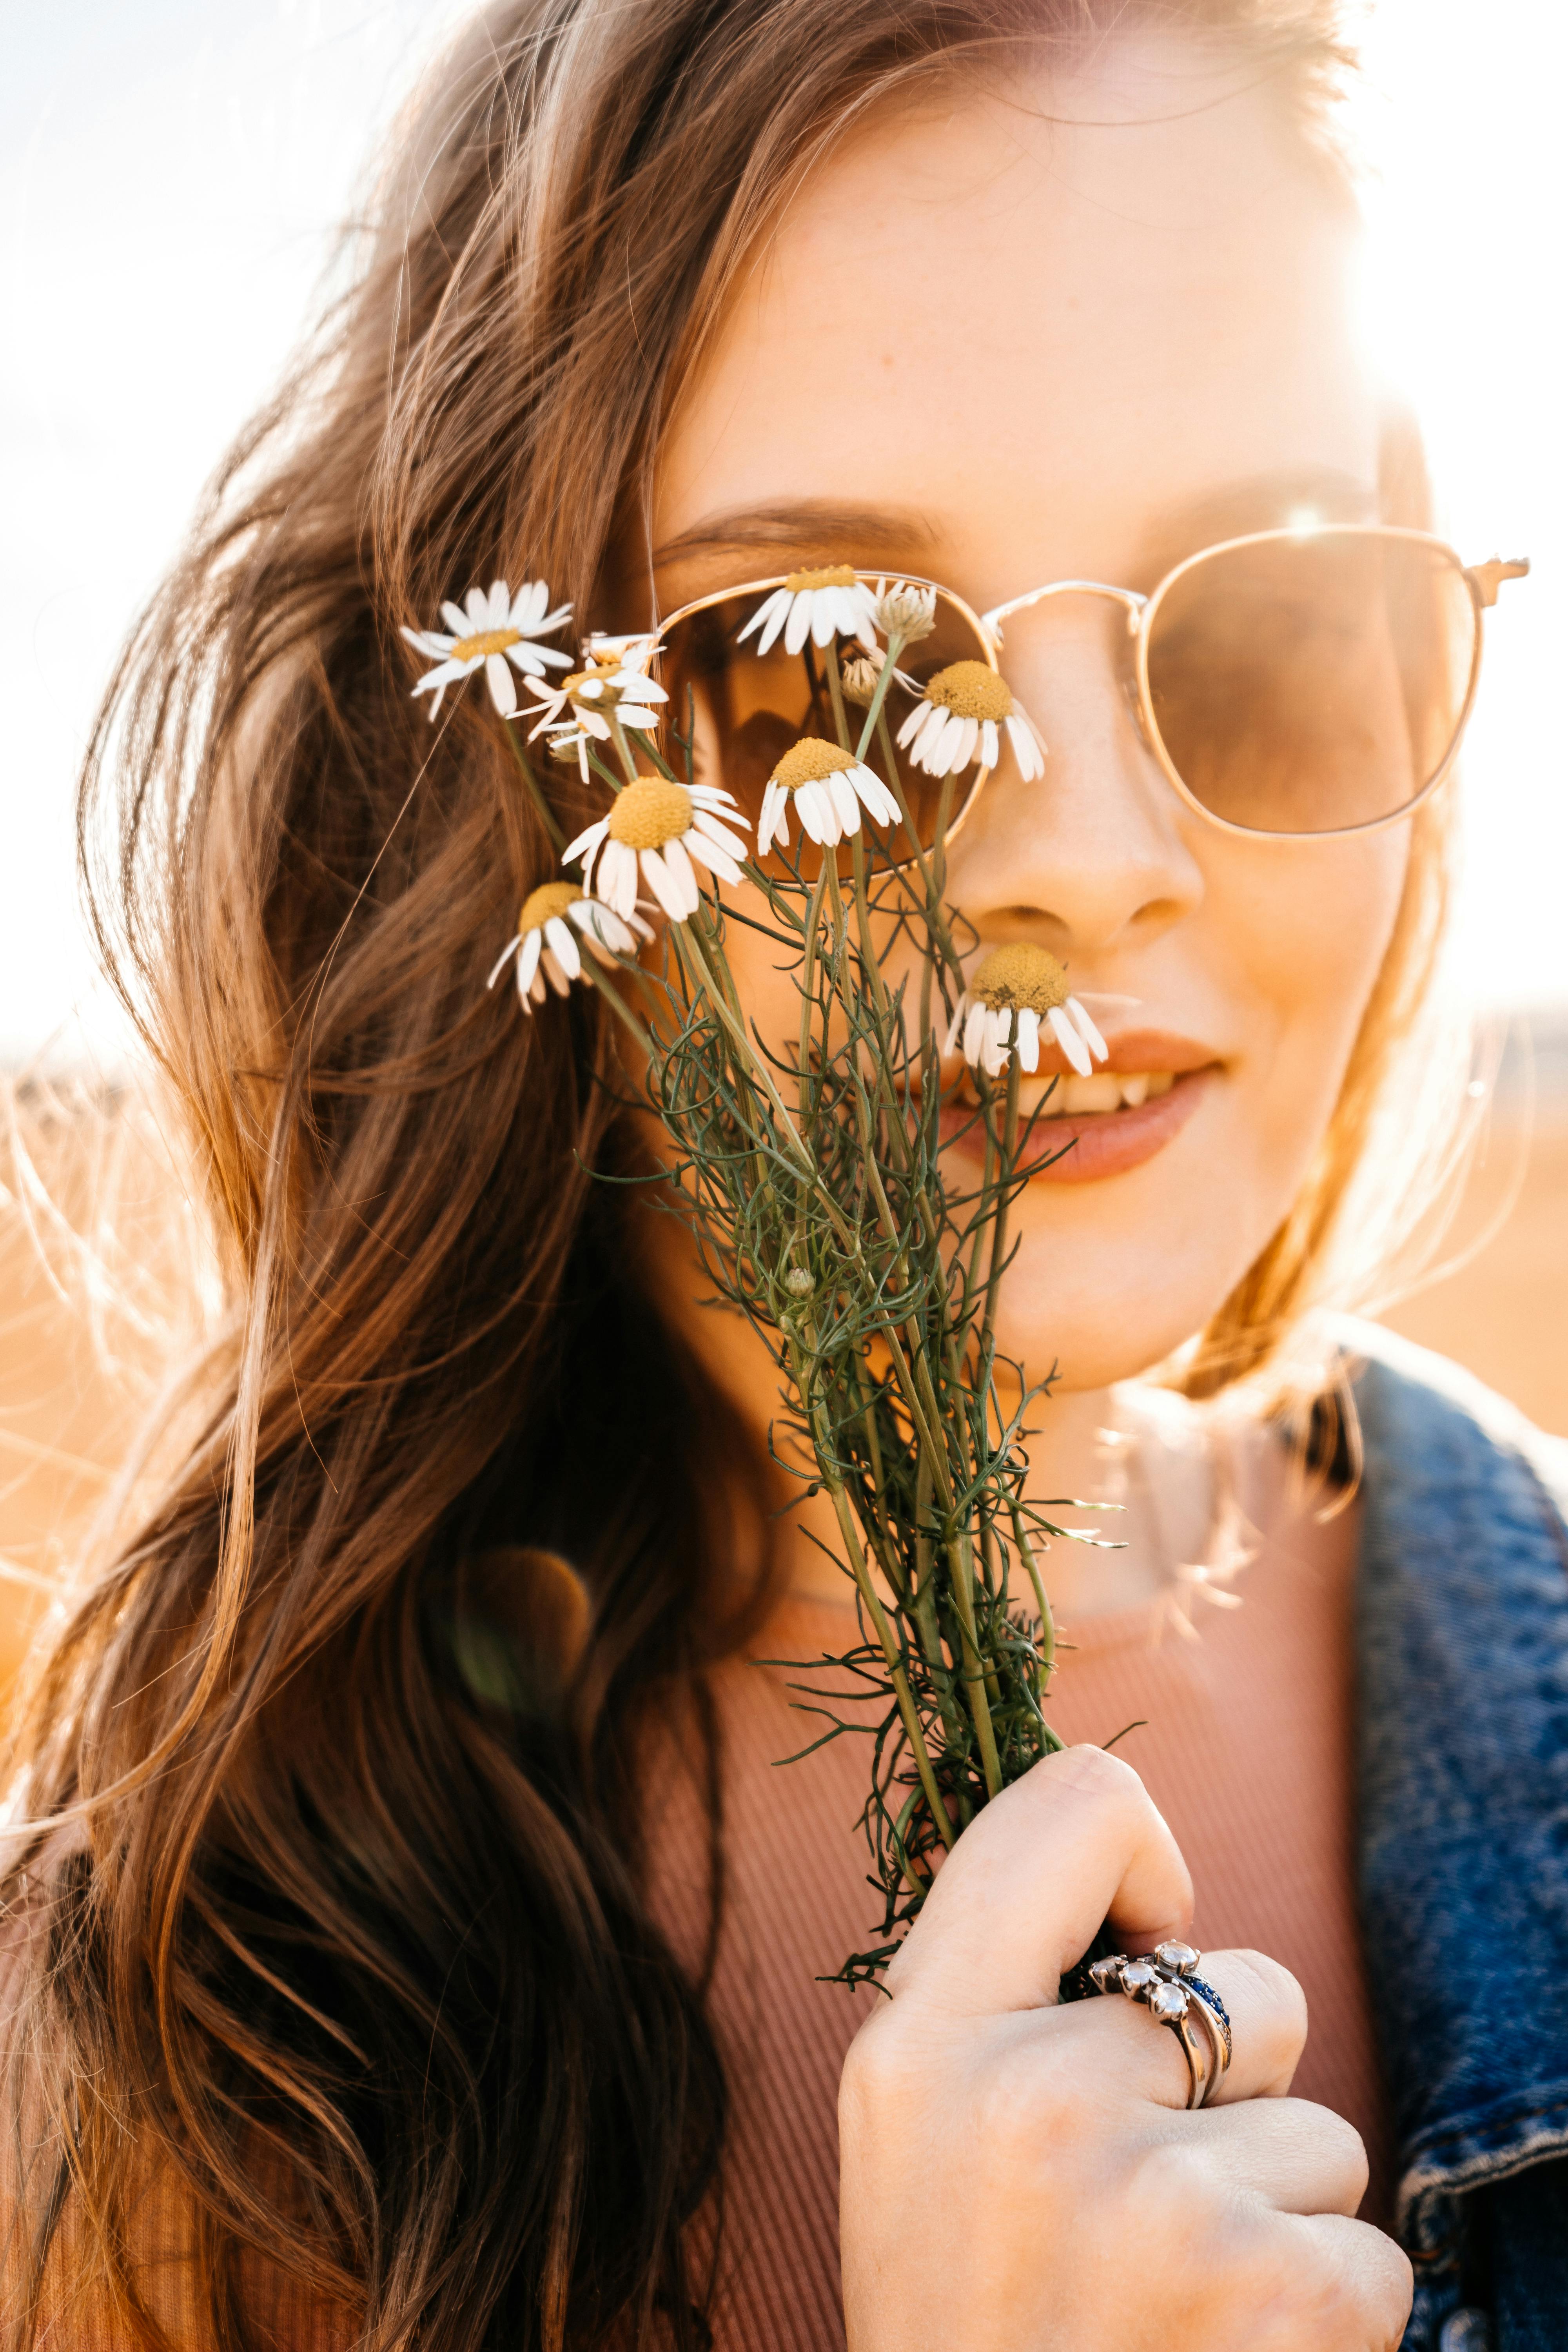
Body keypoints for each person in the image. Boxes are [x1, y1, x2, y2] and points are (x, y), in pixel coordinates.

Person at [2, 3, 1563, 2347]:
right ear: (494, 777)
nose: (1088, 859)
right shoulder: (175, 2037)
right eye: (811, 677)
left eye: (1271, 624)